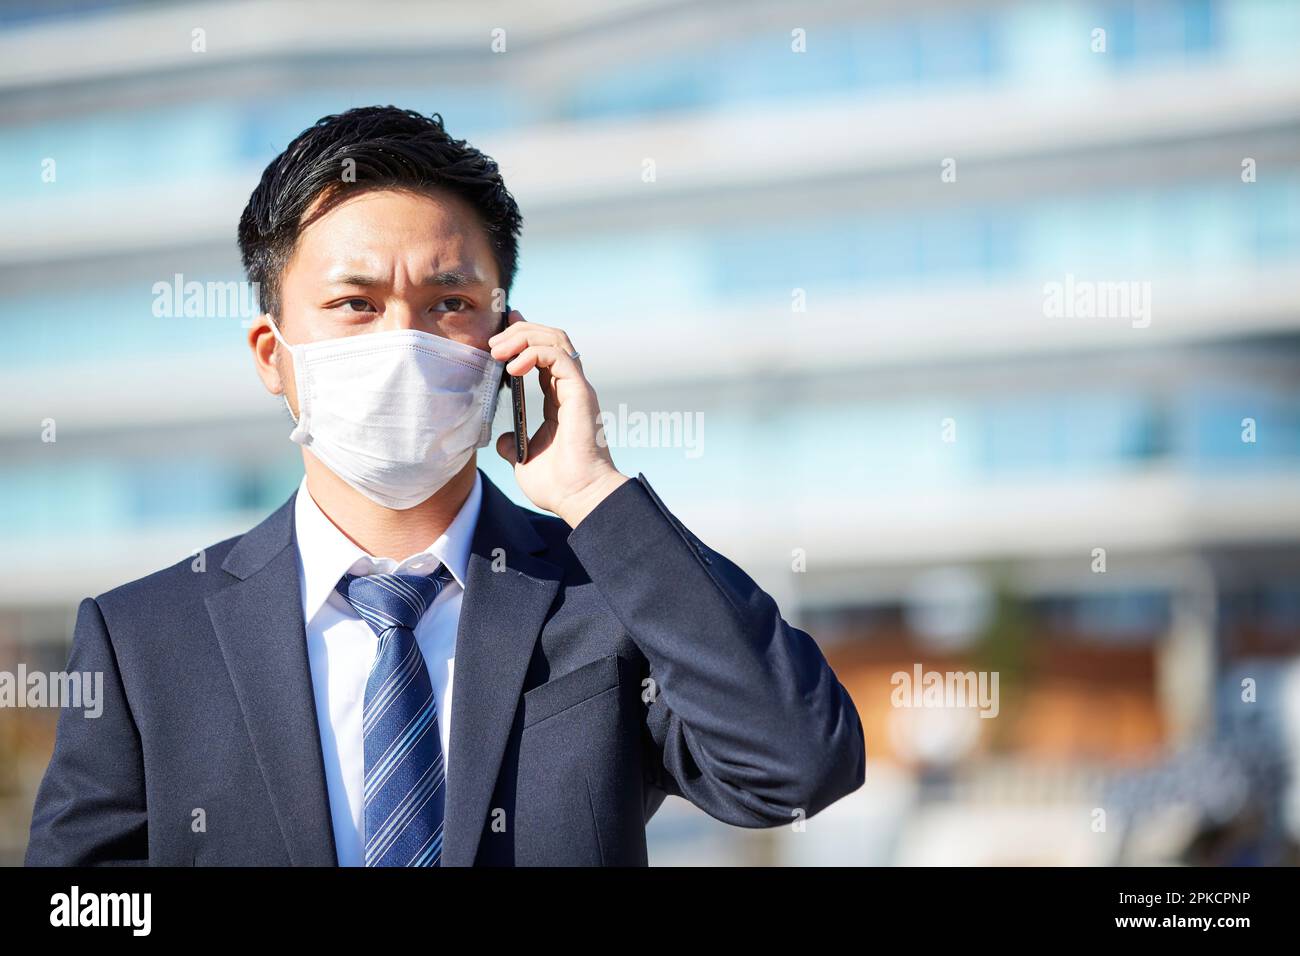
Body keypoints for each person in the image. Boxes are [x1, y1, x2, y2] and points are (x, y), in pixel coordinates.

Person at [25, 106, 865, 866]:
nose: (404, 340)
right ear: (272, 356)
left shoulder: (604, 604)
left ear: (508, 337)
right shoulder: (146, 641)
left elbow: (799, 766)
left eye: (449, 301)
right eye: (355, 303)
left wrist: (594, 492)